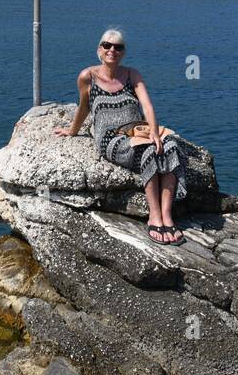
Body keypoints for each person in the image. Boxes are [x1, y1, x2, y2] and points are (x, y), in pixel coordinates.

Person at [54, 28, 194, 246]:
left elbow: (147, 105)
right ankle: (154, 216)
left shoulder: (132, 74)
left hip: (138, 130)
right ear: (99, 50)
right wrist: (72, 130)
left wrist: (155, 132)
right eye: (107, 45)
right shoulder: (87, 77)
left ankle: (167, 215)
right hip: (111, 138)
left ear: (123, 52)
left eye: (118, 47)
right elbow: (84, 107)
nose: (112, 50)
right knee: (148, 152)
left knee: (170, 146)